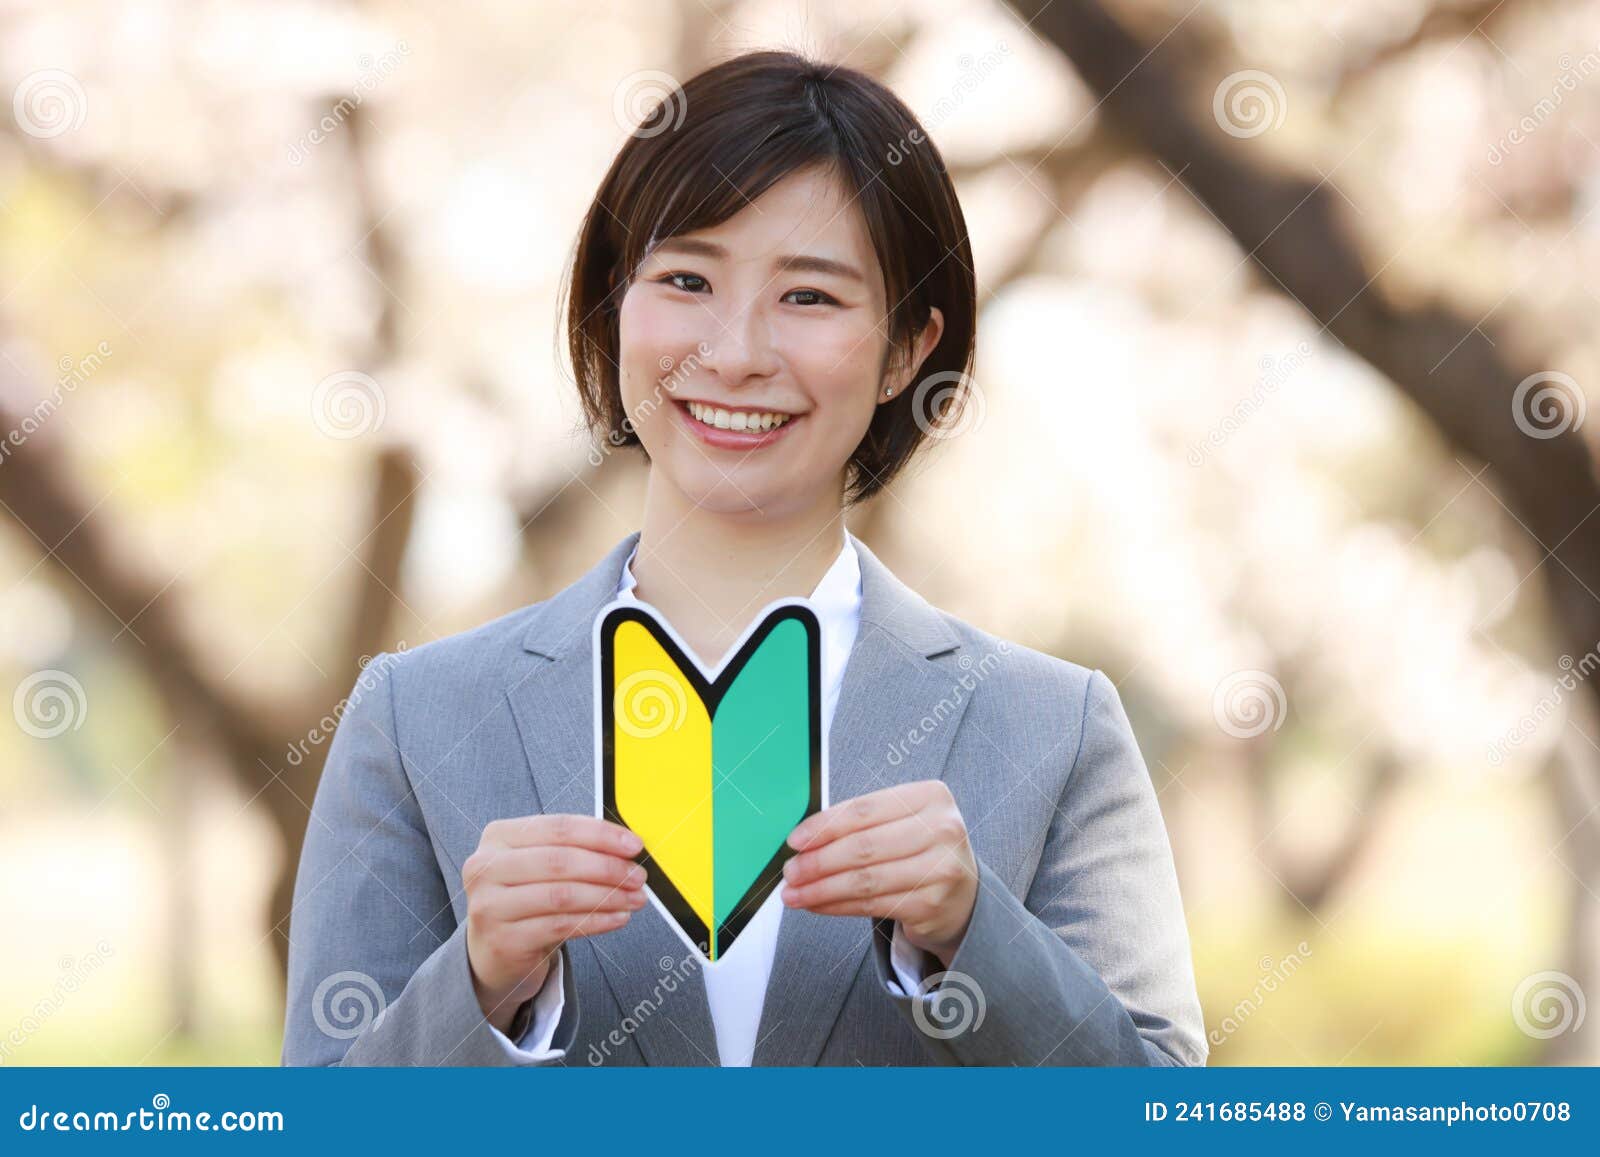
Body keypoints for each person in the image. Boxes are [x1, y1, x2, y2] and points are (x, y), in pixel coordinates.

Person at [282, 49, 1206, 1067]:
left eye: (809, 297)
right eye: (685, 279)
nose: (733, 352)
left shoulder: (1048, 725)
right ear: (613, 304)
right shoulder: (420, 718)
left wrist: (974, 930)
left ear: (907, 346)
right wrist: (480, 985)